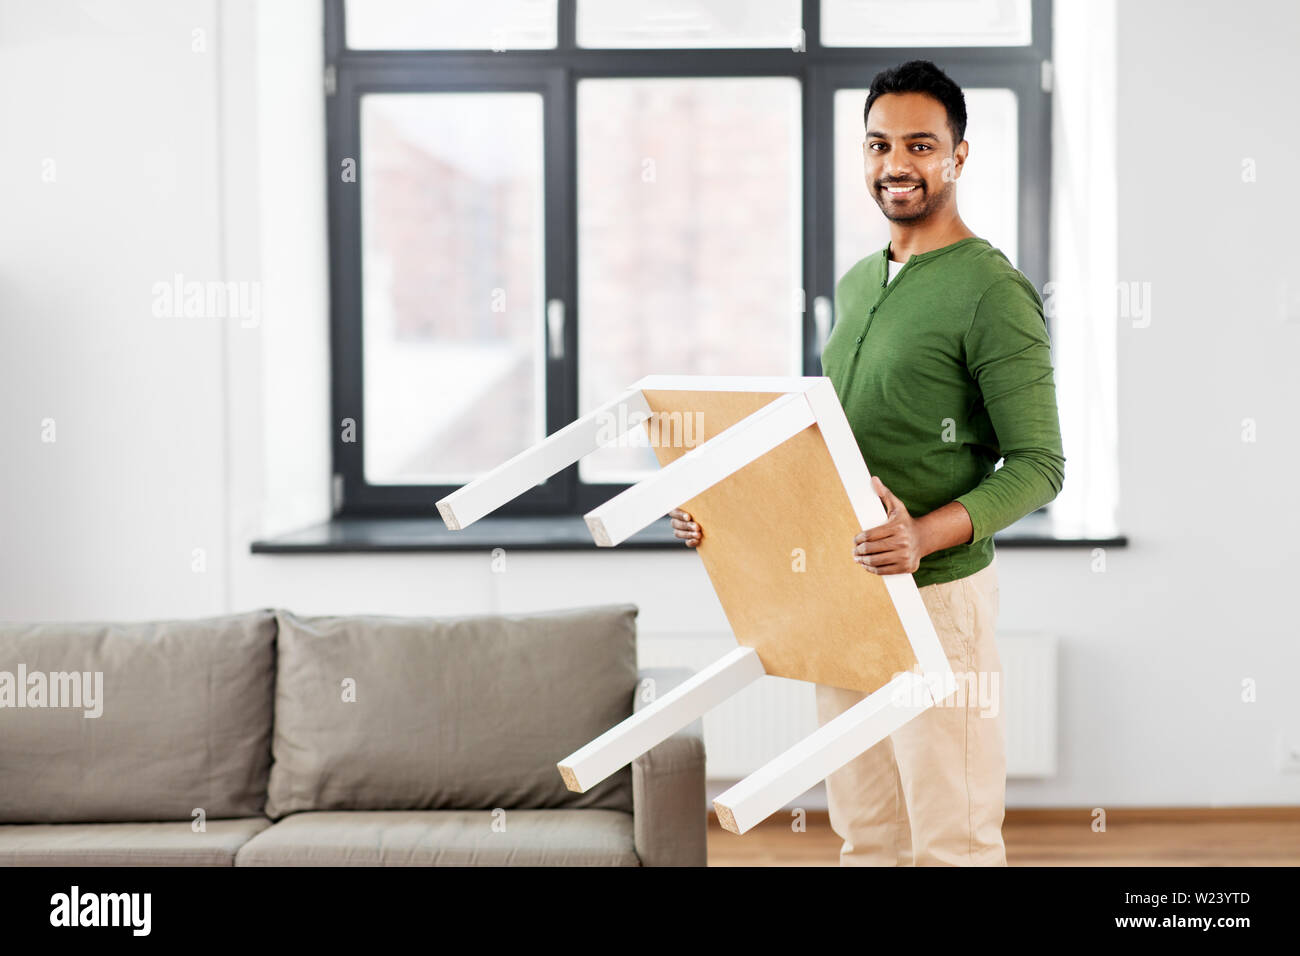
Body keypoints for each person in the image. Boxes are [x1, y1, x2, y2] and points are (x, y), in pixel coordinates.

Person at [671, 59, 1065, 866]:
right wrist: (726, 509)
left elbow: (1039, 464)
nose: (896, 165)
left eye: (920, 145)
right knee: (866, 834)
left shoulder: (993, 291)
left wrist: (924, 534)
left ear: (959, 155)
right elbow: (832, 448)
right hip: (850, 599)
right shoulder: (858, 284)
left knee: (951, 837)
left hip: (937, 602)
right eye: (879, 145)